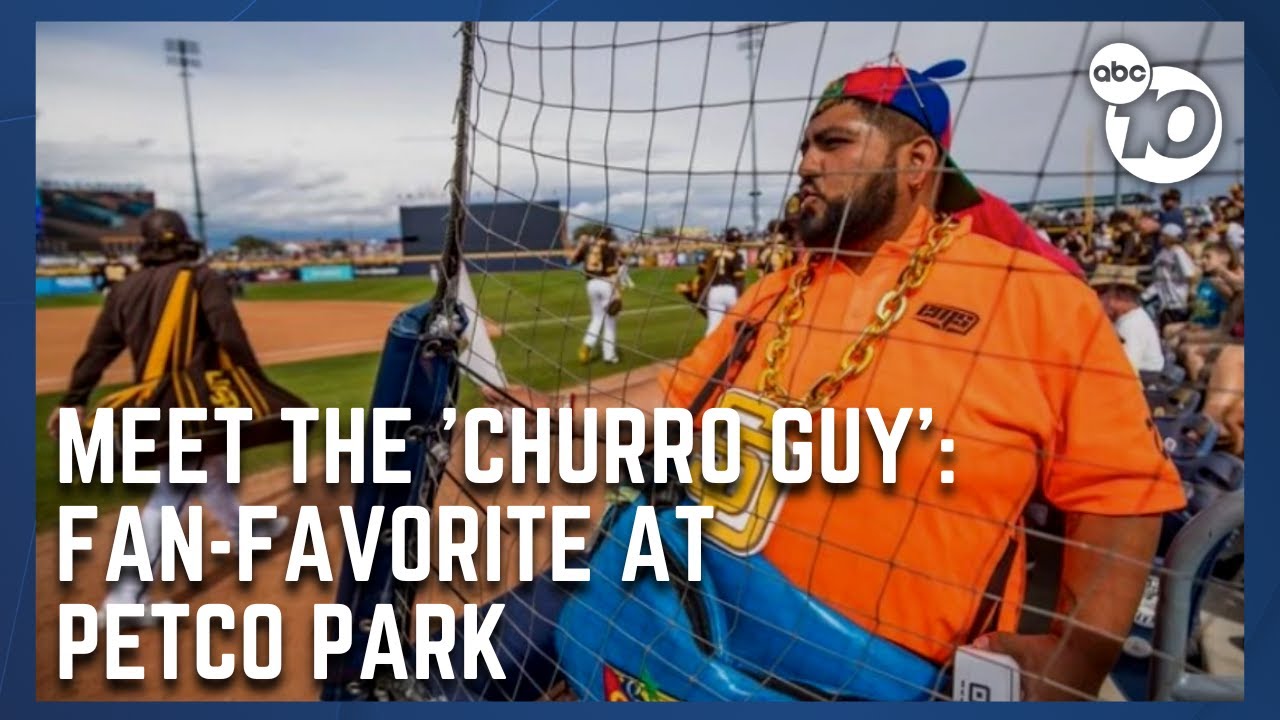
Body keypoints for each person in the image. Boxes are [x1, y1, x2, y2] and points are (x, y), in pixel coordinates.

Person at [478, 58, 1184, 702]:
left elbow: (1119, 492)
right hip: (692, 622)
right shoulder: (776, 291)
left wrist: (1078, 656)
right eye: (805, 148)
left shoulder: (1033, 296)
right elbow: (676, 397)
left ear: (916, 162)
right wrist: (552, 406)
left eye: (834, 143)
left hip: (873, 678)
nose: (807, 165)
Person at [45, 209, 297, 625]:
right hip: (192, 403)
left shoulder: (123, 290)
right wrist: (255, 385)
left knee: (209, 470)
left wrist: (75, 397)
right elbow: (229, 334)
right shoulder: (200, 277)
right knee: (172, 491)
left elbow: (98, 350)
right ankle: (125, 598)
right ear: (183, 238)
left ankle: (241, 534)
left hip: (156, 404)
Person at [1091, 265, 1164, 374]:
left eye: (1100, 292)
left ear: (1120, 294)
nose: (1095, 297)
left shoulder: (1131, 325)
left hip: (1146, 381)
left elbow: (1126, 369)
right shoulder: (1126, 318)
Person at [569, 228, 622, 364]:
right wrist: (617, 293)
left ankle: (586, 345)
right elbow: (613, 273)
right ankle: (609, 356)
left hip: (590, 284)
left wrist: (581, 244)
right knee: (610, 321)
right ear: (608, 238)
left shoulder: (588, 248)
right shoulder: (608, 250)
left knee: (597, 318)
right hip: (605, 284)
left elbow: (572, 260)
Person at [1142, 223, 1197, 325]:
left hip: (1177, 299)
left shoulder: (1178, 252)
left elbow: (1190, 274)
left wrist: (1191, 294)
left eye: (1162, 235)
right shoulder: (1163, 252)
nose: (1160, 238)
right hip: (1164, 298)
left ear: (1170, 237)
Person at [701, 227, 747, 336]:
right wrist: (741, 295)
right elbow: (739, 277)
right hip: (730, 290)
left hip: (714, 291)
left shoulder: (713, 253)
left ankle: (707, 350)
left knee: (713, 325)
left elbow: (701, 269)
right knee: (738, 322)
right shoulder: (736, 255)